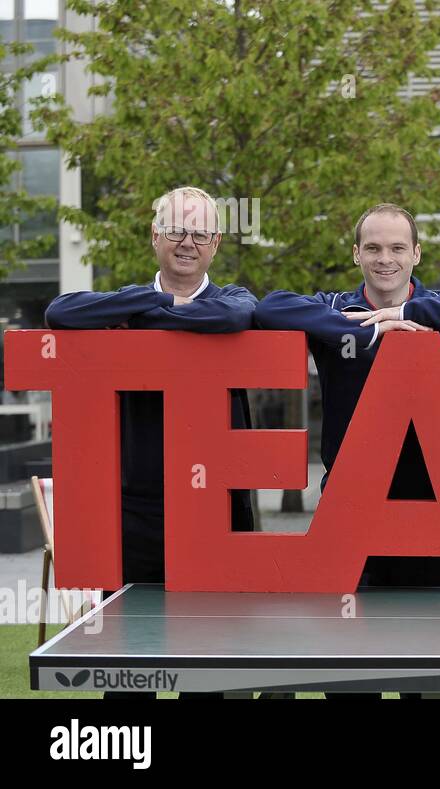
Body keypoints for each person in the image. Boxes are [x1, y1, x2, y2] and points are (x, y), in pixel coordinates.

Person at [45, 185, 257, 700]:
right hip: (135, 512)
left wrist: (139, 317)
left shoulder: (235, 300)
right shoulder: (118, 301)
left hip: (218, 511)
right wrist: (156, 302)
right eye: (176, 230)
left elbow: (230, 320)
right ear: (154, 235)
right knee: (128, 674)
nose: (188, 242)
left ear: (217, 242)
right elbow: (59, 313)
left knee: (209, 669)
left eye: (200, 232)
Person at [255, 203, 440, 591]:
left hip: (434, 504)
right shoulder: (335, 308)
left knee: (431, 634)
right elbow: (269, 308)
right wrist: (369, 331)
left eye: (397, 248)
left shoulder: (439, 308)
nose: (385, 259)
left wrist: (413, 311)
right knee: (346, 642)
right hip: (349, 503)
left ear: (416, 253)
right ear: (356, 253)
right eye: (373, 248)